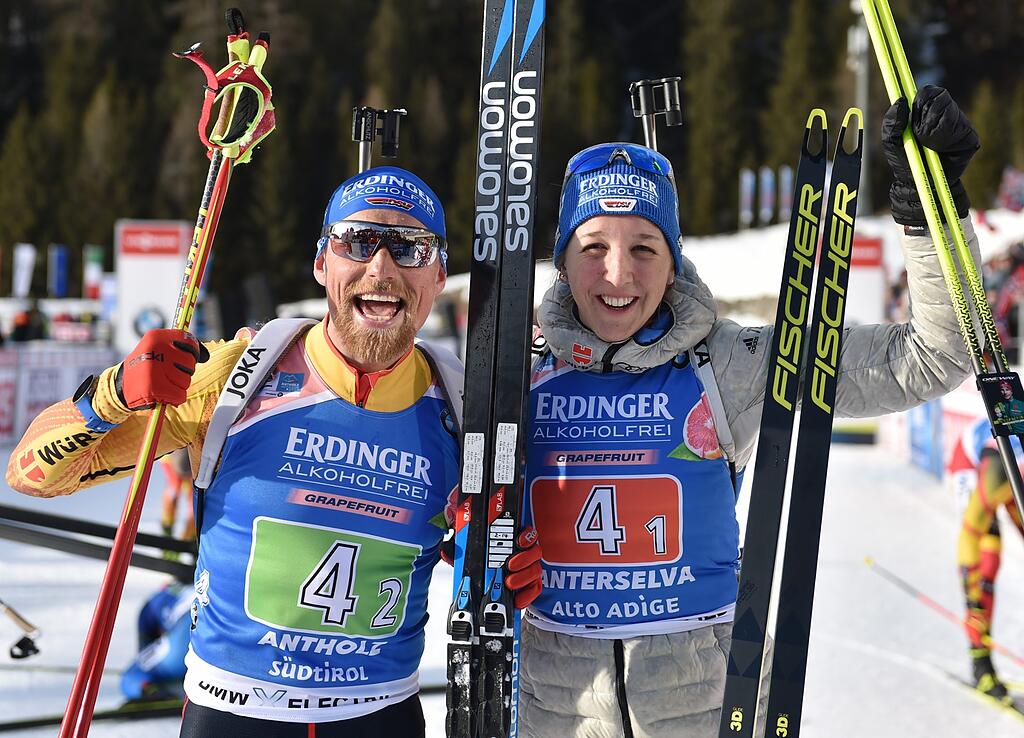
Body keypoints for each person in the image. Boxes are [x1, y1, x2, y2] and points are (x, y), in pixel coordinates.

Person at [6, 165, 541, 737]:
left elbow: (493, 558)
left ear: (438, 275)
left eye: (410, 249)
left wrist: (492, 561)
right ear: (321, 263)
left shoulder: (464, 411)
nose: (381, 268)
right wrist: (110, 396)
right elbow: (32, 474)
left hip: (379, 715)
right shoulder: (236, 376)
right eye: (357, 242)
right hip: (233, 714)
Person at [519, 85, 981, 737]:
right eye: (593, 246)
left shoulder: (729, 360)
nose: (618, 274)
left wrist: (930, 210)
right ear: (562, 262)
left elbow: (933, 356)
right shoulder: (521, 374)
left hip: (710, 716)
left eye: (644, 248)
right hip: (556, 718)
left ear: (673, 259)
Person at [947, 418, 1023, 702]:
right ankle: (982, 666)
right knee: (987, 562)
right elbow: (969, 536)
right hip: (976, 463)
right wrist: (972, 601)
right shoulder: (998, 472)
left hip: (1013, 474)